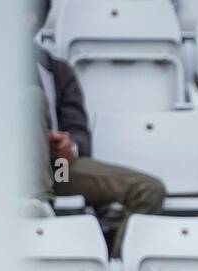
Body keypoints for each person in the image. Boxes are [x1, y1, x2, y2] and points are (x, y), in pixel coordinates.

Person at [28, 0, 165, 256]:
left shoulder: (56, 70)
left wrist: (69, 147)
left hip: (57, 170)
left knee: (149, 190)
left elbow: (78, 132)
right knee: (31, 99)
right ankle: (38, 207)